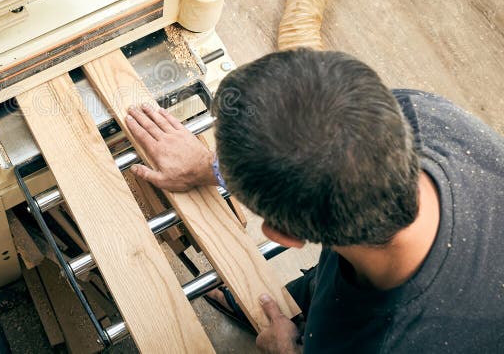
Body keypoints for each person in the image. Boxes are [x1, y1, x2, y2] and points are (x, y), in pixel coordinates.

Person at [123, 48, 504, 353]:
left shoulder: (370, 343)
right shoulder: (420, 114)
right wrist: (213, 167)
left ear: (285, 236)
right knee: (305, 296)